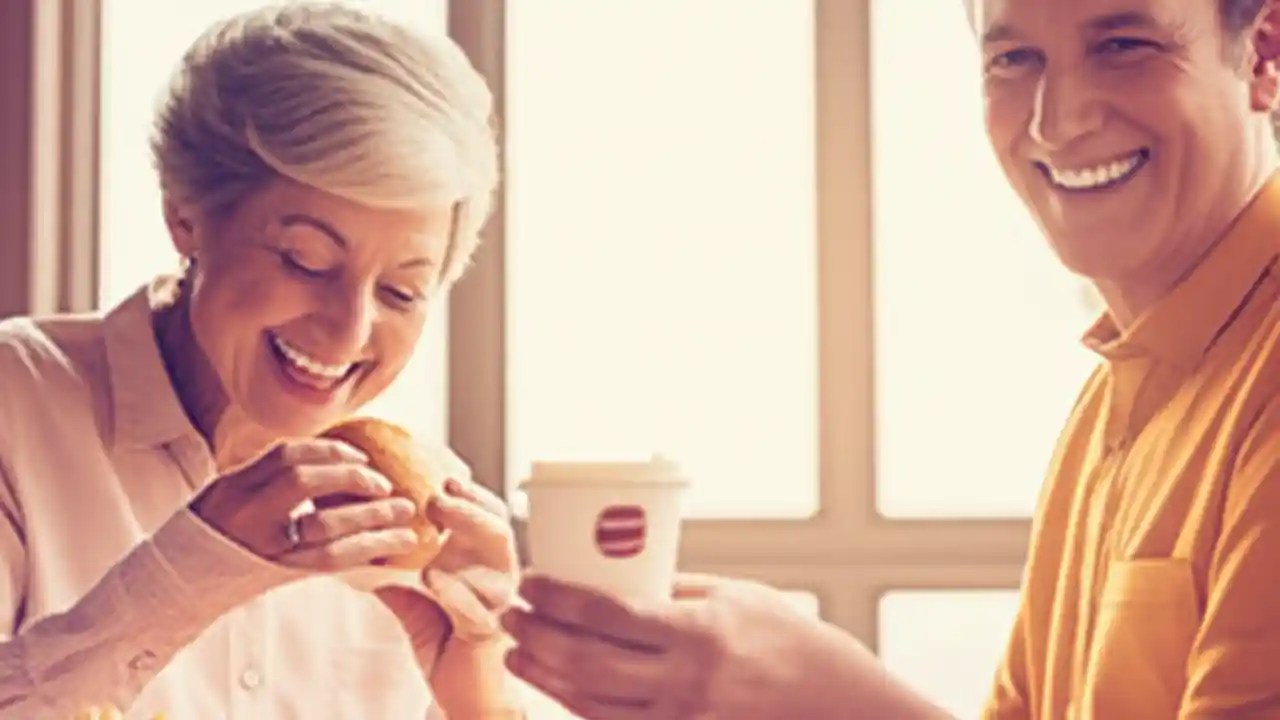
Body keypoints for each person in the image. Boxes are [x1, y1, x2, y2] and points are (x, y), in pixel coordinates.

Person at [502, 0, 1280, 717]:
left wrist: (827, 697)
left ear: (1265, 55)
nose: (1057, 122)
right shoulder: (1116, 401)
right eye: (1014, 60)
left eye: (1123, 46)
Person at [0, 4, 524, 718]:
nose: (348, 334)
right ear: (186, 215)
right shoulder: (18, 410)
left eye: (400, 292)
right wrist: (188, 574)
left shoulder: (422, 526)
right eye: (305, 261)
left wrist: (478, 694)